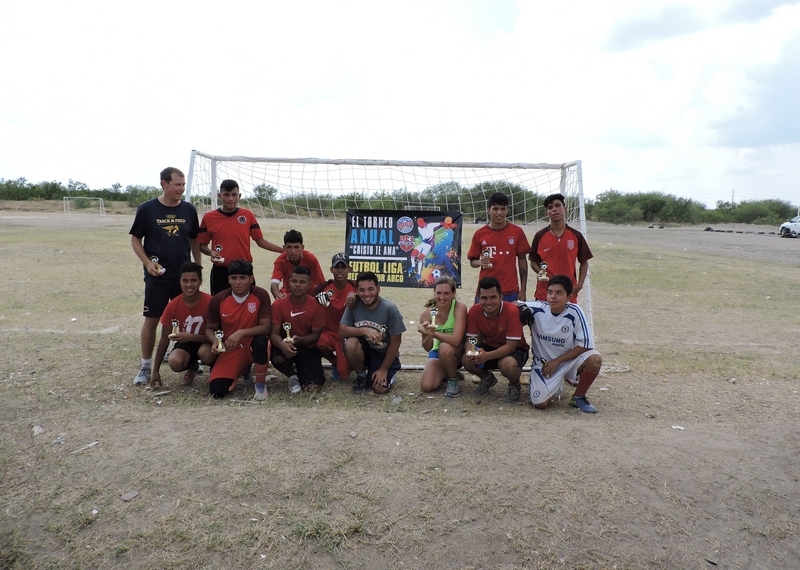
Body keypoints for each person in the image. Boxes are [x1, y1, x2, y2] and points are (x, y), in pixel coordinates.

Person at [129, 166, 202, 386]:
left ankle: (191, 364)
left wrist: (198, 267)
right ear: (164, 184)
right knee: (152, 320)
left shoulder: (189, 210)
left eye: (183, 185)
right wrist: (148, 263)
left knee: (187, 321)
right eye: (177, 185)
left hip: (185, 278)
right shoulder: (147, 209)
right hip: (157, 276)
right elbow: (135, 239)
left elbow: (194, 241)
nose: (181, 189)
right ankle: (145, 366)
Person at [519, 274, 602, 413]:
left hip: (568, 361)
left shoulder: (575, 312)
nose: (553, 297)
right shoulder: (538, 308)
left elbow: (586, 345)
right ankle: (553, 386)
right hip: (544, 364)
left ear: (569, 297)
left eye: (559, 293)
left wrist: (557, 361)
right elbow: (513, 304)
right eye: (550, 292)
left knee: (595, 359)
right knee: (540, 403)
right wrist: (522, 309)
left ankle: (579, 396)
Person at [197, 179, 284, 295]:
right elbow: (202, 246)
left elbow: (260, 241)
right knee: (220, 306)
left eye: (234, 194)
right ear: (219, 196)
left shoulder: (248, 215)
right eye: (226, 194)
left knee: (249, 305)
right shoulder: (209, 217)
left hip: (244, 270)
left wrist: (283, 251)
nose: (230, 198)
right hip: (221, 270)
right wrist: (211, 252)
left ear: (239, 196)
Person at [205, 260, 272, 399]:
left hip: (252, 344)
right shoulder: (218, 299)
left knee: (261, 342)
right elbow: (209, 329)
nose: (238, 282)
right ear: (229, 279)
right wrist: (215, 341)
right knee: (217, 391)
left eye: (243, 277)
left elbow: (266, 327)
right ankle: (243, 369)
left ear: (251, 278)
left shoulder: (261, 295)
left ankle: (260, 383)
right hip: (231, 348)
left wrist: (241, 332)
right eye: (234, 278)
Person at [462, 276, 529, 402]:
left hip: (517, 350)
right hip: (490, 347)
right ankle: (487, 378)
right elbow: (470, 339)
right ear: (479, 298)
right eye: (484, 298)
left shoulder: (511, 311)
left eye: (493, 297)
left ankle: (515, 385)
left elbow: (511, 346)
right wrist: (469, 352)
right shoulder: (474, 311)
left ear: (501, 297)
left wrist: (486, 356)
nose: (488, 302)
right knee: (466, 360)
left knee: (507, 364)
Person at [340, 271, 406, 395]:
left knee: (379, 389)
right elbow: (342, 330)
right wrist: (365, 330)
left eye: (371, 289)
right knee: (350, 343)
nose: (366, 294)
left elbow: (396, 341)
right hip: (365, 350)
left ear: (378, 289)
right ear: (357, 291)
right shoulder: (353, 304)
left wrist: (383, 369)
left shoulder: (390, 309)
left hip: (383, 354)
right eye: (362, 290)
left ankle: (389, 372)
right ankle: (361, 376)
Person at [150, 262, 214, 388]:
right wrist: (155, 371)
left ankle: (215, 368)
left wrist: (191, 337)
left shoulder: (210, 302)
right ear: (179, 281)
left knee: (206, 353)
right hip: (186, 342)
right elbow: (164, 339)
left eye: (193, 280)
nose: (189, 285)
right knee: (174, 361)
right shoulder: (173, 305)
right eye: (185, 280)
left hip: (206, 342)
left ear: (200, 281)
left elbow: (217, 336)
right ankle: (192, 367)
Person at [270, 266, 326, 393]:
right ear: (289, 283)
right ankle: (292, 376)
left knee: (313, 388)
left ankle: (304, 371)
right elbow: (273, 334)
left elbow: (315, 336)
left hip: (306, 346)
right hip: (284, 344)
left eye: (302, 282)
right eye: (294, 281)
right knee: (277, 358)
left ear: (309, 285)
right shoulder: (279, 304)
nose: (297, 285)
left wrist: (299, 340)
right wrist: (282, 345)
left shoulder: (317, 306)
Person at [529, 193, 593, 302]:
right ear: (547, 213)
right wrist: (540, 272)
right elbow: (533, 261)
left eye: (557, 206)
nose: (554, 209)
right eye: (550, 207)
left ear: (565, 209)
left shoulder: (576, 235)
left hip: (568, 292)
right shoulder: (540, 236)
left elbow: (584, 262)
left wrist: (579, 285)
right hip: (544, 293)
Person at [467, 192, 531, 301]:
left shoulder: (517, 232)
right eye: (495, 209)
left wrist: (523, 290)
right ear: (488, 210)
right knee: (481, 318)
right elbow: (473, 262)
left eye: (503, 209)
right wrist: (480, 262)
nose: (499, 212)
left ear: (507, 210)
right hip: (486, 290)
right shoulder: (480, 234)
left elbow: (522, 260)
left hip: (510, 290)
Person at [418, 276, 467, 397]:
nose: (442, 297)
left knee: (445, 348)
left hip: (459, 351)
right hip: (438, 351)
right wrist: (428, 335)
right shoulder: (426, 313)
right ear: (434, 292)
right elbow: (427, 348)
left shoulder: (459, 307)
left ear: (453, 293)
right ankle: (448, 370)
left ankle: (452, 379)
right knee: (427, 386)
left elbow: (456, 341)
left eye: (446, 293)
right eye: (438, 293)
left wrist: (434, 333)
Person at [312, 253, 356, 381]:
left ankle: (352, 365)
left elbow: (371, 297)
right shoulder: (323, 288)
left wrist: (356, 296)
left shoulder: (355, 287)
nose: (340, 270)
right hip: (329, 333)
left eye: (343, 267)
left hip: (347, 335)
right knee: (319, 342)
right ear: (332, 270)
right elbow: (309, 302)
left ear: (349, 269)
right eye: (337, 267)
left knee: (344, 374)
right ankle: (334, 361)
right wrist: (316, 300)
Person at [270, 229, 326, 299]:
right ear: (284, 248)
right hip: (290, 296)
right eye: (289, 247)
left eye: (296, 247)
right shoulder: (280, 261)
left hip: (310, 297)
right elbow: (274, 284)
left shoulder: (311, 259)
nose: (293, 251)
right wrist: (278, 297)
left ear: (302, 247)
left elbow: (321, 284)